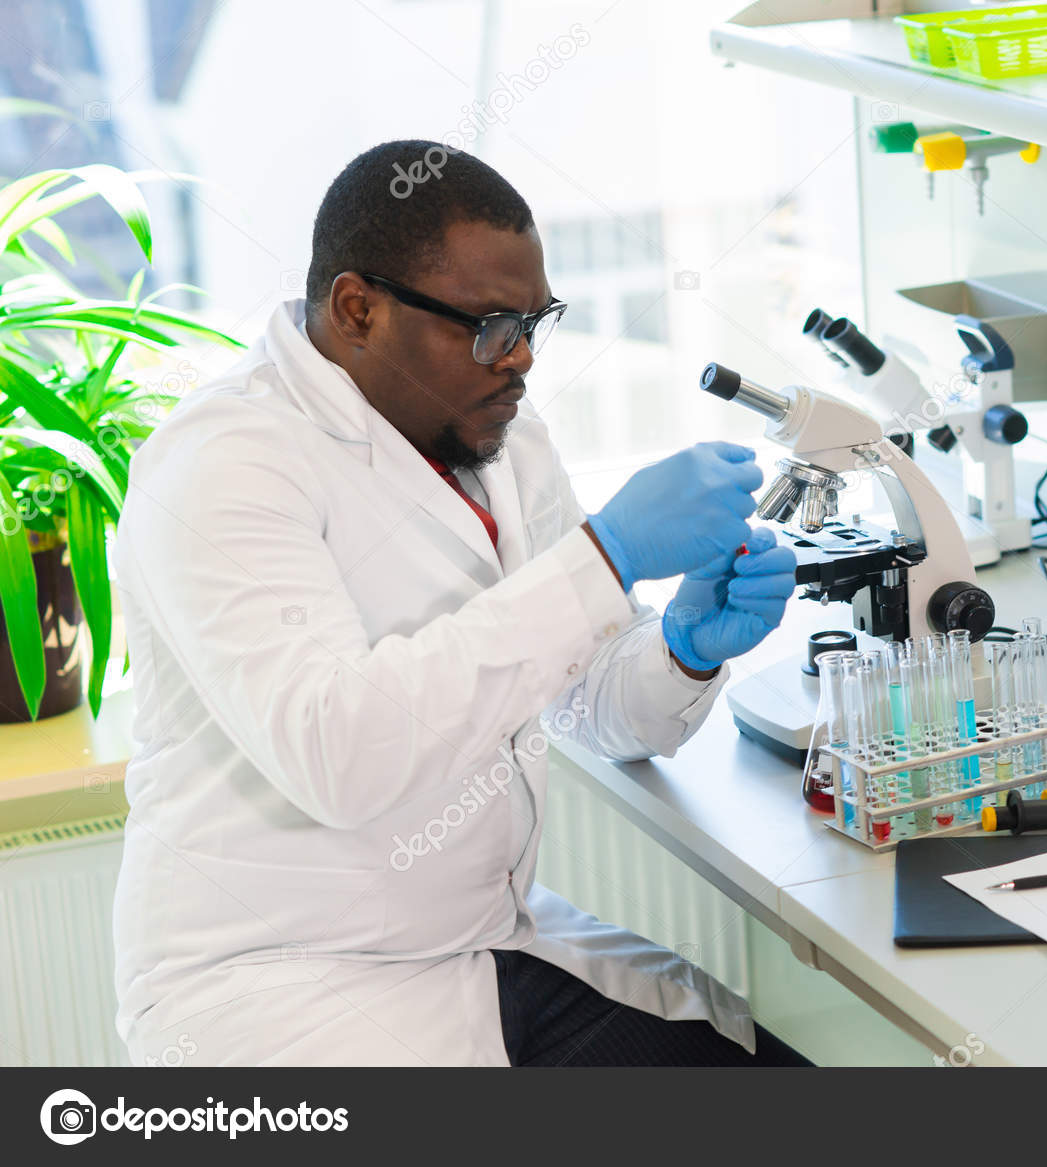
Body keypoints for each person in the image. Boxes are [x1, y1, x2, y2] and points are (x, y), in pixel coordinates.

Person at [111, 140, 806, 1066]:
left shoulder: (503, 442)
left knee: (772, 1062)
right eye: (488, 327)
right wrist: (608, 557)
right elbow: (338, 752)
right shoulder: (225, 466)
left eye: (534, 321)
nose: (520, 360)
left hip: (472, 952)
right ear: (358, 308)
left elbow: (592, 702)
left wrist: (683, 648)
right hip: (280, 1001)